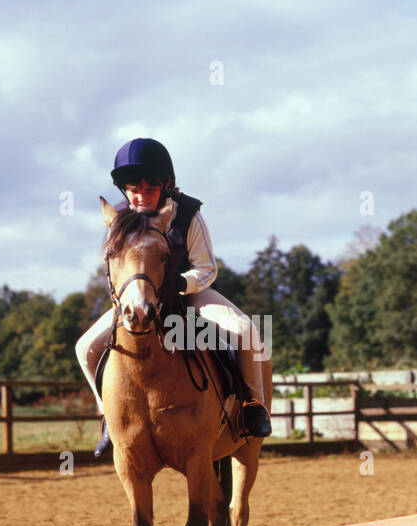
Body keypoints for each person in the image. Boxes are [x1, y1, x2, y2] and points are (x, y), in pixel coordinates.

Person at [76, 138, 272, 458]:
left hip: (188, 295)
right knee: (84, 347)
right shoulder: (119, 220)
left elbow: (207, 269)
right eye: (133, 189)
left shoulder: (188, 215)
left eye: (149, 188)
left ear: (166, 185)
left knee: (245, 328)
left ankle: (253, 406)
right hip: (138, 300)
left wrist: (180, 283)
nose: (140, 196)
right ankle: (108, 416)